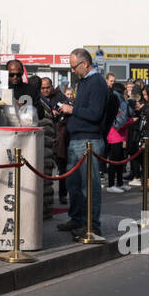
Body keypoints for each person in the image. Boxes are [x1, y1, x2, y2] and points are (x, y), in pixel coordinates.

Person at [55, 49, 107, 240]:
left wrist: (72, 109)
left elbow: (95, 113)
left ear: (84, 64)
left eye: (74, 67)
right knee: (74, 184)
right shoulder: (84, 81)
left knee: (89, 186)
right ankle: (77, 219)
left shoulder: (97, 83)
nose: (72, 71)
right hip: (77, 139)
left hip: (89, 140)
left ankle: (93, 226)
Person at [37, 78, 67, 210]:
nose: (45, 90)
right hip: (44, 137)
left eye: (47, 87)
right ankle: (44, 198)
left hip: (59, 136)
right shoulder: (37, 98)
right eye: (43, 88)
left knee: (62, 168)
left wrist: (59, 112)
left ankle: (63, 195)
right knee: (45, 169)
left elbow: (67, 107)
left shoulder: (60, 96)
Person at [104, 81, 131, 193]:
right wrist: (130, 120)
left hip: (119, 133)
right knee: (114, 161)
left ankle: (119, 183)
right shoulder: (118, 99)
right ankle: (111, 184)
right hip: (115, 134)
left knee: (120, 161)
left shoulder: (116, 98)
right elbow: (122, 116)